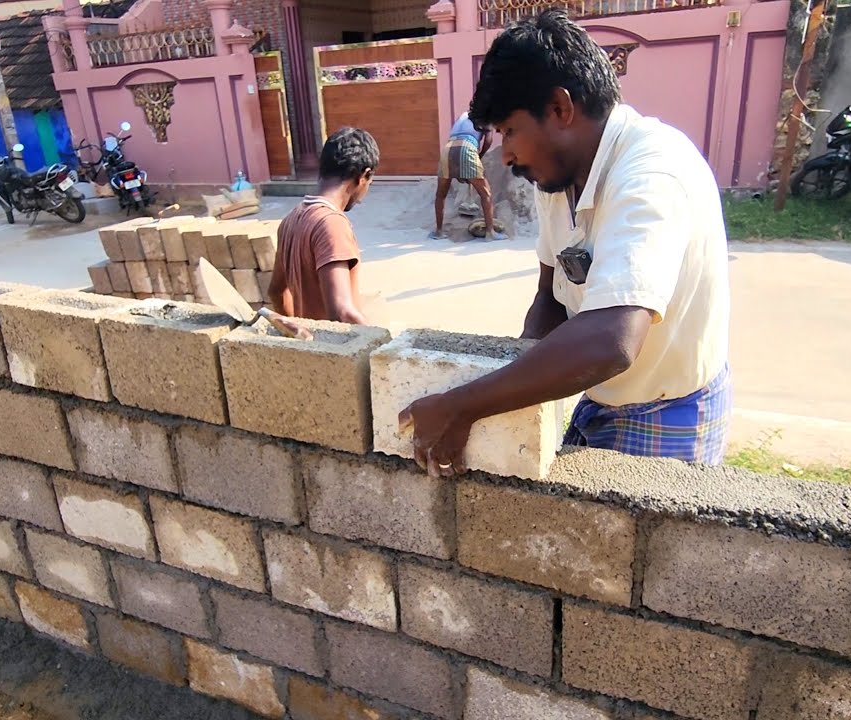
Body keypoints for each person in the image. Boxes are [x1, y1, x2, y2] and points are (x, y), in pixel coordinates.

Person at [399, 10, 731, 476]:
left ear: (560, 109)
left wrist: (463, 405)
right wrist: (511, 387)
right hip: (601, 396)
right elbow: (551, 298)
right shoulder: (558, 175)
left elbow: (611, 341)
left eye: (511, 131)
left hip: (663, 409)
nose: (506, 152)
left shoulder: (653, 173)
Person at [268, 127, 379, 324]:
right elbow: (342, 313)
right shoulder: (331, 224)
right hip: (338, 351)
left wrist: (298, 335)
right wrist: (384, 345)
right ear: (363, 176)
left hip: (315, 350)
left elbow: (276, 292)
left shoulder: (291, 219)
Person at [432, 112, 506, 242]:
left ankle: (438, 231)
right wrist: (480, 155)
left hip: (448, 149)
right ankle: (490, 232)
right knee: (486, 193)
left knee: (440, 194)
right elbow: (488, 141)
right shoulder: (485, 116)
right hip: (467, 147)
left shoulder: (463, 116)